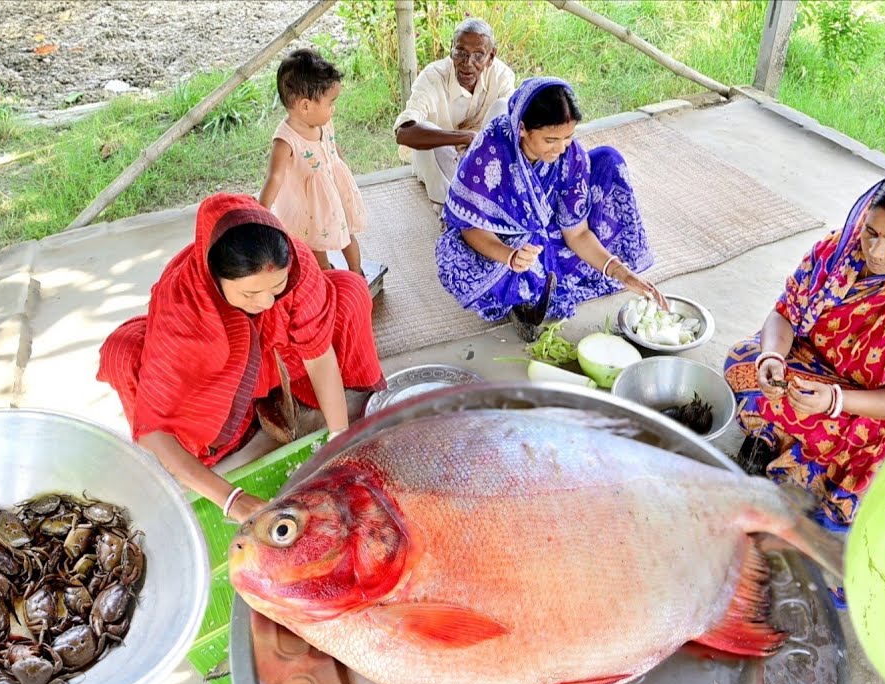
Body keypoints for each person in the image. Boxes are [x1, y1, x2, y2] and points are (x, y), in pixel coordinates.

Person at [724, 167, 885, 555]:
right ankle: (792, 447)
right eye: (872, 232)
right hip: (818, 370)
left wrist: (836, 402)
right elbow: (784, 315)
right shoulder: (837, 252)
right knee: (743, 360)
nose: (876, 252)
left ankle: (784, 445)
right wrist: (772, 357)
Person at [97, 193, 386, 523]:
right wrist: (230, 498)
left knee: (348, 290)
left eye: (277, 287)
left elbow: (318, 356)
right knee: (123, 354)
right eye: (250, 293)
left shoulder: (297, 263)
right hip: (217, 370)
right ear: (215, 277)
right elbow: (153, 429)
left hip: (272, 353)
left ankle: (270, 394)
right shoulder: (183, 302)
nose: (265, 302)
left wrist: (339, 438)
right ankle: (245, 410)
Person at [436, 76, 664, 341]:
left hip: (549, 231)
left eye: (568, 137)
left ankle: (529, 291)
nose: (560, 148)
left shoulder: (570, 156)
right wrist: (510, 256)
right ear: (522, 129)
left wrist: (618, 271)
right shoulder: (489, 151)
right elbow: (471, 229)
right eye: (550, 139)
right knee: (460, 264)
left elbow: (577, 234)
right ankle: (523, 293)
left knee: (609, 161)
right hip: (498, 239)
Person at [260, 48, 367, 277]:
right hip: (310, 207)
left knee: (347, 233)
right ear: (305, 106)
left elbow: (332, 149)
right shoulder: (285, 140)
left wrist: (342, 171)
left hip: (333, 194)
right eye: (330, 103)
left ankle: (357, 273)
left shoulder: (323, 123)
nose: (333, 108)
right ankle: (326, 277)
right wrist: (261, 211)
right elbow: (275, 177)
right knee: (316, 246)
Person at [393, 18, 516, 205]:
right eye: (461, 52)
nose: (467, 63)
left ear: (491, 57)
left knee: (504, 107)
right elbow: (403, 134)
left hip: (482, 160)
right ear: (451, 50)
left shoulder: (501, 76)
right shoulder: (433, 77)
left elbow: (516, 128)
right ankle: (449, 206)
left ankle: (487, 194)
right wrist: (464, 138)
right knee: (424, 129)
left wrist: (477, 146)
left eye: (478, 55)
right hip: (441, 165)